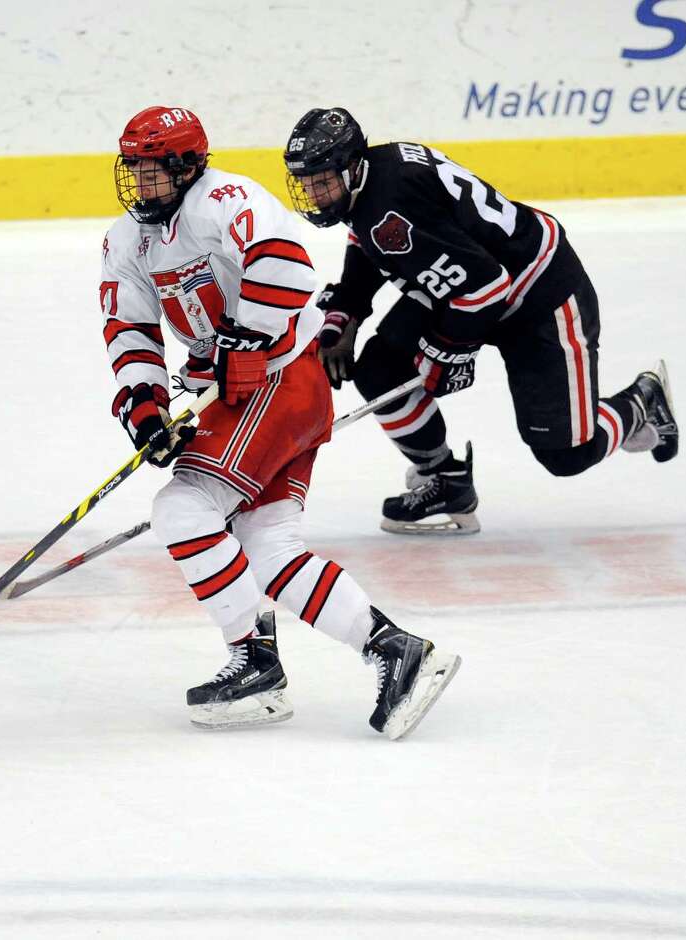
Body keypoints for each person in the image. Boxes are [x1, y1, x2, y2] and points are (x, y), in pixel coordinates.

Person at [99, 105, 460, 737]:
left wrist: (245, 344)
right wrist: (145, 404)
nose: (140, 183)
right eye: (132, 169)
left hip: (281, 382)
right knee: (268, 547)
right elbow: (129, 328)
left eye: (153, 170)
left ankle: (255, 660)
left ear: (187, 167)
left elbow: (286, 266)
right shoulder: (123, 241)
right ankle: (396, 651)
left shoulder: (228, 199)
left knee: (184, 511)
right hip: (251, 396)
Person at [282, 108, 680, 534]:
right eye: (306, 184)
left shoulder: (389, 206)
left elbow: (486, 287)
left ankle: (642, 403)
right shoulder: (375, 177)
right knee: (380, 368)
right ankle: (445, 480)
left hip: (539, 297)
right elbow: (374, 245)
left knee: (566, 455)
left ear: (351, 167)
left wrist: (445, 350)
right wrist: (347, 315)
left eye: (322, 182)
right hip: (470, 287)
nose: (314, 195)